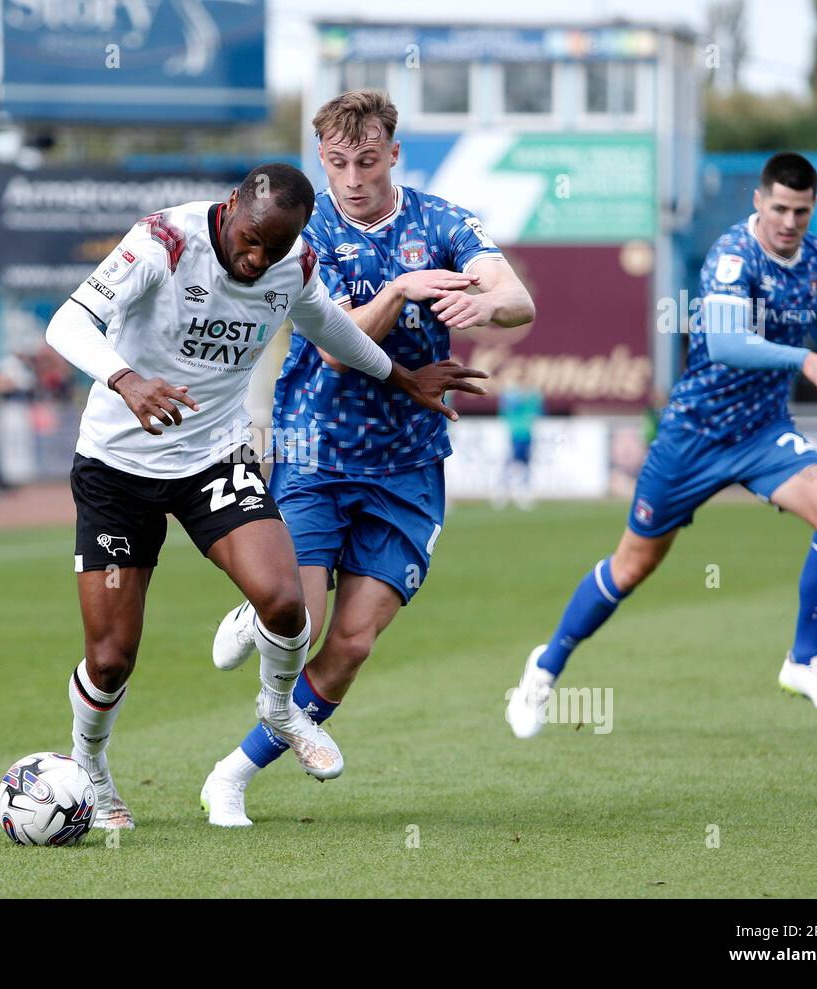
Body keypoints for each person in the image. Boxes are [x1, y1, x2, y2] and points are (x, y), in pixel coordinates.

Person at [41, 162, 487, 831]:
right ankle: (91, 766)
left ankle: (280, 707)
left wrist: (404, 376)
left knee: (282, 601)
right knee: (110, 657)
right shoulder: (162, 241)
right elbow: (66, 326)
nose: (258, 258)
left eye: (273, 248)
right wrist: (127, 379)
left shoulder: (292, 265)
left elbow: (331, 328)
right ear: (230, 209)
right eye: (251, 240)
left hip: (213, 459)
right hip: (118, 464)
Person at [201, 91, 535, 827]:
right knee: (305, 620)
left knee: (351, 643)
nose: (354, 177)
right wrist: (402, 290)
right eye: (339, 162)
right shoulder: (304, 227)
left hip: (410, 461)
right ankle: (258, 612)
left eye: (369, 160)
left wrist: (488, 306)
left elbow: (519, 299)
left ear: (393, 154)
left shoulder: (441, 220)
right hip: (315, 446)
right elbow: (333, 344)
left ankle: (231, 774)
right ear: (323, 158)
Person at [505, 152, 817, 733]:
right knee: (632, 567)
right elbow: (729, 343)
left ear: (812, 210)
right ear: (759, 202)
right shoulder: (732, 258)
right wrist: (806, 359)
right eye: (779, 208)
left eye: (801, 212)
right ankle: (545, 666)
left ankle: (804, 660)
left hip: (762, 430)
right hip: (693, 435)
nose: (788, 221)